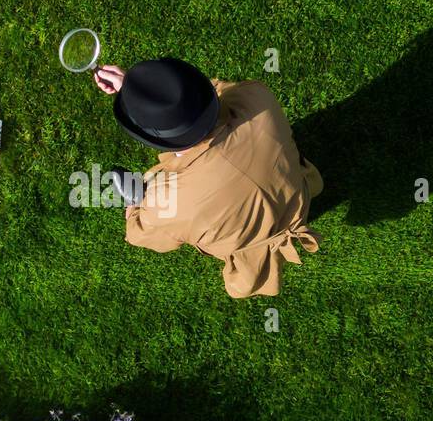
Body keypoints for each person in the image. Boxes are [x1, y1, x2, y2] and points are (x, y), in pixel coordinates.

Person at [94, 58, 322, 298]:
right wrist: (144, 93)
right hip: (296, 193)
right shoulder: (257, 98)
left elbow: (140, 233)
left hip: (250, 244)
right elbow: (217, 93)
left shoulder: (170, 203)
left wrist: (134, 205)